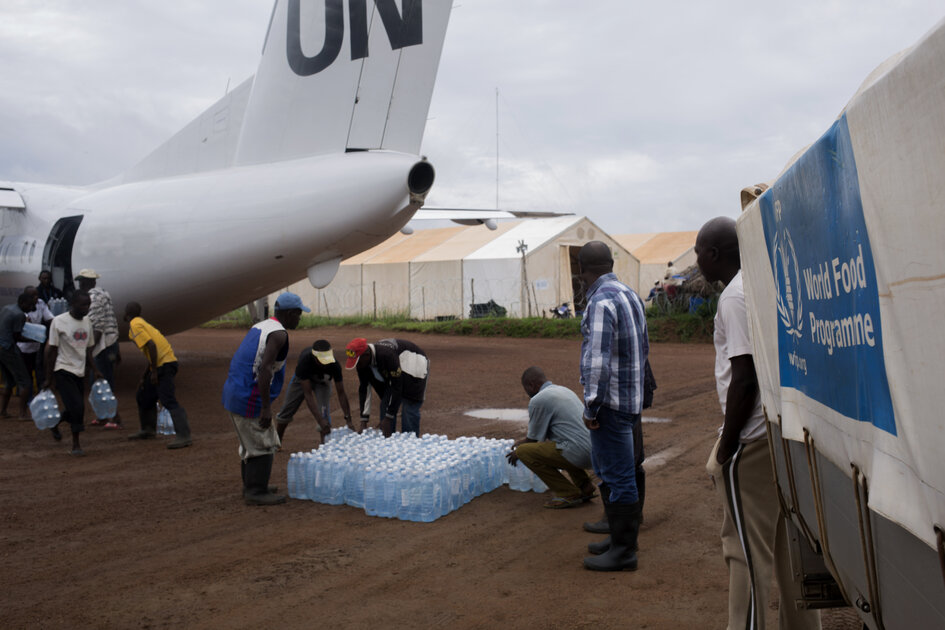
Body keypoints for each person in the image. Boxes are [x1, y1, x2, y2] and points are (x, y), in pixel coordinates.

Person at [695, 216, 821, 630]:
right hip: (782, 431)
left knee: (745, 549)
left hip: (752, 438)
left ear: (714, 254)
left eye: (698, 253)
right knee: (788, 545)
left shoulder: (734, 296)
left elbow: (744, 377)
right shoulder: (767, 283)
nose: (697, 261)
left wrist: (728, 446)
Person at [578, 241, 648, 572]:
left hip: (610, 404)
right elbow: (644, 349)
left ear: (582, 271)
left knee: (617, 475)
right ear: (610, 264)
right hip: (630, 400)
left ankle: (624, 551)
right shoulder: (629, 294)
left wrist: (591, 407)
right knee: (617, 471)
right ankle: (618, 540)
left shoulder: (600, 302)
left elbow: (597, 361)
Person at [222, 292, 308, 505]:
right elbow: (265, 369)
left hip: (235, 390)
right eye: (298, 314)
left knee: (250, 444)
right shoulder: (279, 335)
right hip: (248, 396)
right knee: (264, 444)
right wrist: (266, 408)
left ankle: (253, 485)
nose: (299, 318)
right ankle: (256, 491)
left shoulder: (262, 326)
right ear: (290, 313)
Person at [507, 366, 595, 509]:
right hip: (595, 452)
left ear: (531, 385)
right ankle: (585, 485)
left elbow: (533, 440)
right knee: (561, 442)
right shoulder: (564, 390)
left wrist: (518, 449)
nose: (527, 394)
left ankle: (568, 492)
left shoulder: (538, 399)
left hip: (579, 453)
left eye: (526, 389)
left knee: (524, 451)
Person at [124, 302, 192, 449]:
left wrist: (154, 371)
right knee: (143, 395)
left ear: (126, 314)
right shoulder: (142, 322)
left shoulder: (135, 325)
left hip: (164, 365)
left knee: (168, 399)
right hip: (162, 363)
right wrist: (146, 374)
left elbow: (151, 346)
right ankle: (148, 430)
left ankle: (184, 435)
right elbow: (151, 352)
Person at [43, 291, 101, 456]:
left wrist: (95, 370)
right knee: (77, 407)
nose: (87, 308)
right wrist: (49, 378)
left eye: (88, 304)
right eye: (83, 305)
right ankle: (76, 444)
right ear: (73, 304)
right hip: (63, 369)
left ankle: (55, 423)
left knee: (74, 406)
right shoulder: (58, 321)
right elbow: (52, 351)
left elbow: (88, 350)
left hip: (80, 371)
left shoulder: (87, 322)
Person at [345, 337, 429, 437]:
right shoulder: (363, 364)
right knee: (385, 404)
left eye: (358, 362)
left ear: (367, 354)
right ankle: (388, 437)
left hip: (414, 365)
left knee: (409, 407)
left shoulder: (386, 355)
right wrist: (364, 421)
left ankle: (410, 440)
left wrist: (388, 418)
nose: (357, 366)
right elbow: (364, 389)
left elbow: (396, 386)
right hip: (396, 366)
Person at [276, 339, 354, 445]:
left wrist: (348, 419)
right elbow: (308, 395)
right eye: (322, 361)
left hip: (322, 382)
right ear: (314, 357)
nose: (325, 365)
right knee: (287, 409)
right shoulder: (304, 362)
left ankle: (324, 446)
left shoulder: (334, 365)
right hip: (302, 381)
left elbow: (341, 393)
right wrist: (319, 420)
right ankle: (277, 441)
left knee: (324, 414)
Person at [75, 269, 123, 428]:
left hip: (102, 345)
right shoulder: (104, 294)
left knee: (102, 381)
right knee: (99, 381)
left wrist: (89, 350)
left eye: (81, 281)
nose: (80, 284)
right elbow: (111, 322)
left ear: (88, 282)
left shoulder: (93, 298)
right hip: (110, 343)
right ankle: (104, 416)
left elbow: (98, 327)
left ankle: (113, 418)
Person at [0, 292, 38, 419]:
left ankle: (3, 411)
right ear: (22, 303)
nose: (31, 308)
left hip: (1, 348)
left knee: (9, 381)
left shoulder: (7, 308)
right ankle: (22, 414)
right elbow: (17, 337)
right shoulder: (19, 314)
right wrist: (34, 339)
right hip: (9, 349)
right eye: (30, 305)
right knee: (26, 382)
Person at [16, 286, 54, 406]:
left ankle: (40, 396)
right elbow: (27, 325)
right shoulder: (22, 308)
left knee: (39, 371)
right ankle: (28, 398)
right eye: (33, 296)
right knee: (26, 374)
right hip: (24, 347)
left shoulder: (40, 303)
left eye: (37, 295)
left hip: (36, 345)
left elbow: (49, 318)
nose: (36, 298)